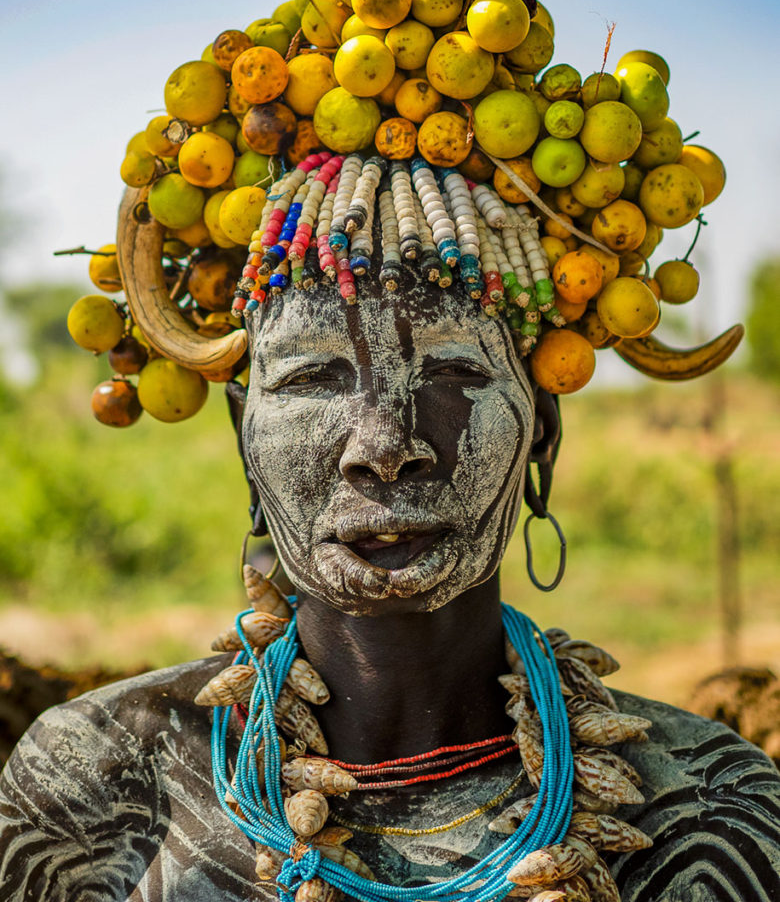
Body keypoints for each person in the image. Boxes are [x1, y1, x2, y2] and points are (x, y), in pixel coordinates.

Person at [0, 214, 778, 901]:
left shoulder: (711, 813)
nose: (382, 449)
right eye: (311, 376)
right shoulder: (94, 788)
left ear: (542, 429)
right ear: (244, 438)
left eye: (454, 372)